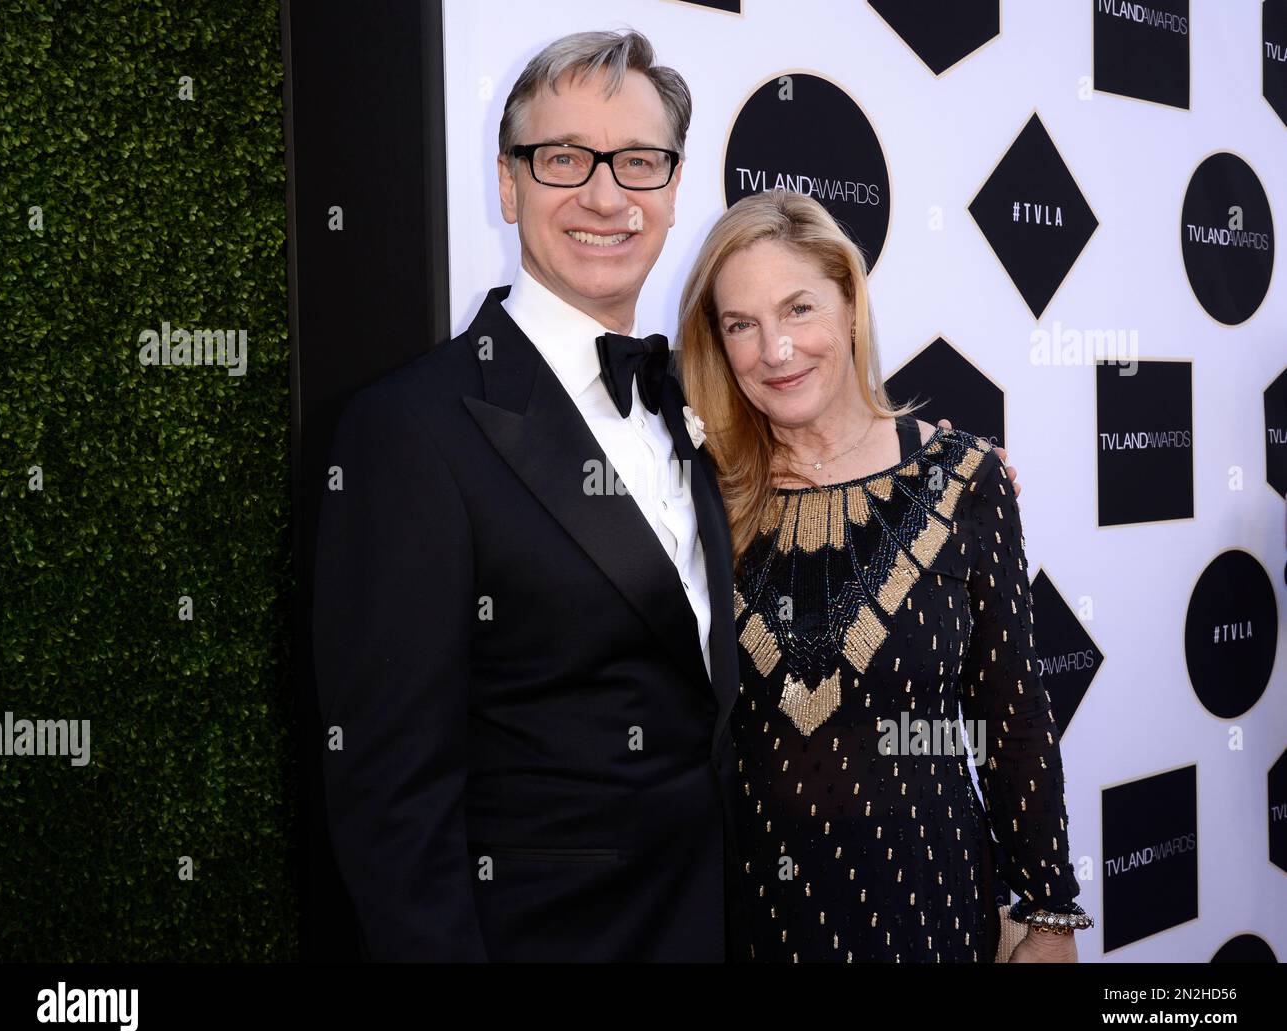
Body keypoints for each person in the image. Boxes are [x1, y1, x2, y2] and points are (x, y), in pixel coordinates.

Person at [313, 29, 1015, 963]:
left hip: (746, 925)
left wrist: (947, 472)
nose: (605, 195)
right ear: (508, 182)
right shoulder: (410, 430)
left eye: (638, 162)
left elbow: (833, 481)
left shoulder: (704, 408)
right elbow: (390, 802)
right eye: (564, 158)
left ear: (674, 188)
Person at [676, 188, 1090, 962]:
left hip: (931, 911)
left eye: (799, 309)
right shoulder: (693, 492)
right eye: (741, 325)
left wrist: (1047, 915)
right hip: (754, 925)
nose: (776, 349)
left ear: (851, 304)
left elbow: (1013, 717)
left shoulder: (963, 478)